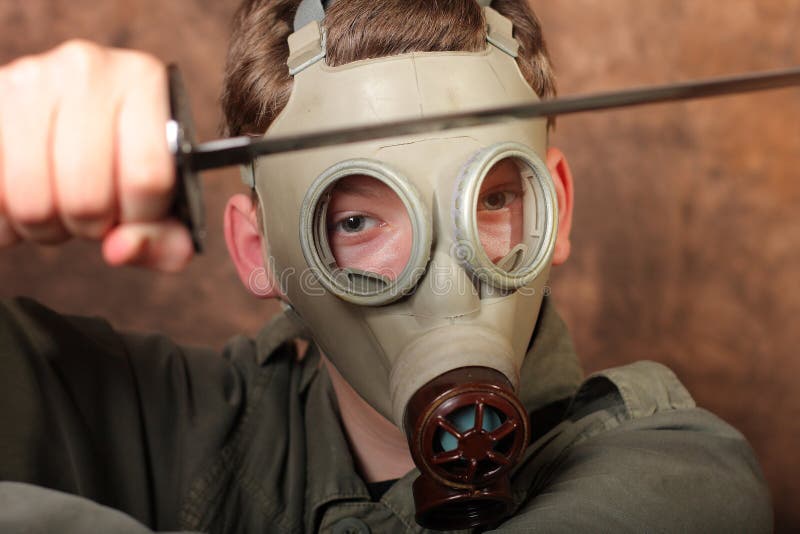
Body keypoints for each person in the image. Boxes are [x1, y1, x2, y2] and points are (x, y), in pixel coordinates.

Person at [0, 0, 772, 532]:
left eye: (490, 198)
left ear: (556, 209)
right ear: (258, 251)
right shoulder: (161, 426)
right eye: (356, 220)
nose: (446, 280)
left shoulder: (676, 478)